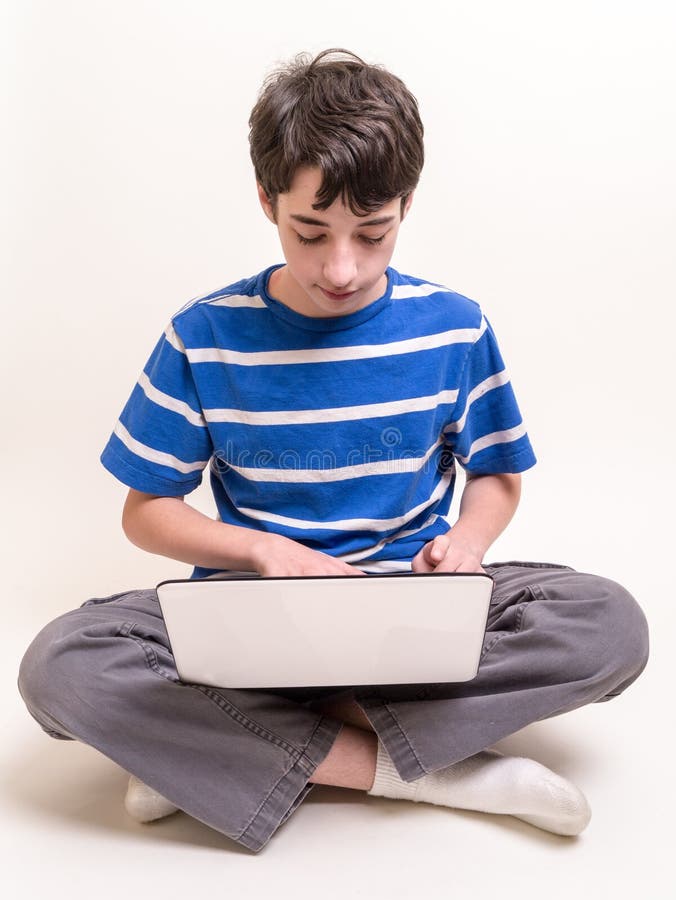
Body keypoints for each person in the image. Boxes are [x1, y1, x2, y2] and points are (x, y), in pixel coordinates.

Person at [17, 48, 649, 853]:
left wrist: (467, 543)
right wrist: (262, 551)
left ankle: (219, 748)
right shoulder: (204, 334)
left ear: (406, 204)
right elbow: (147, 512)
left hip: (411, 617)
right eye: (309, 233)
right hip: (252, 621)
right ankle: (427, 772)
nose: (341, 267)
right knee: (61, 664)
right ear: (266, 199)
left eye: (373, 233)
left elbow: (496, 473)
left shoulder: (455, 327)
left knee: (609, 623)